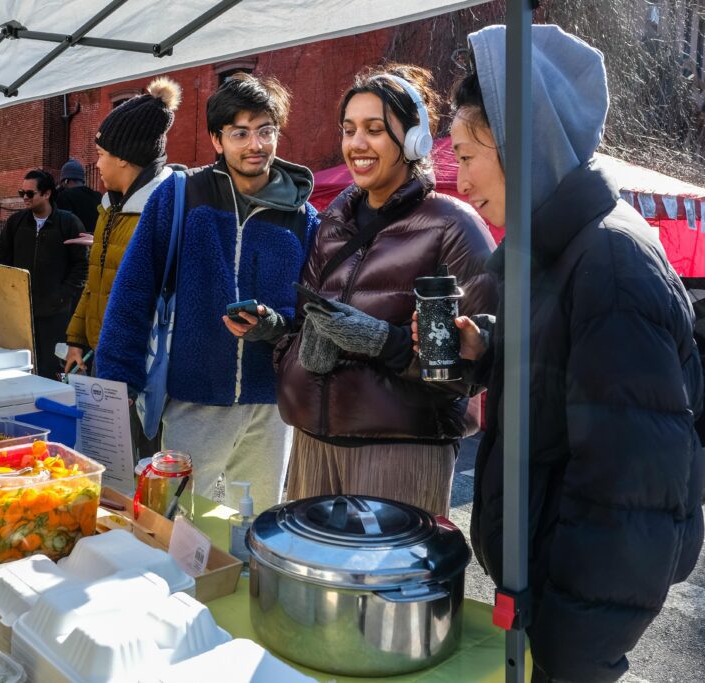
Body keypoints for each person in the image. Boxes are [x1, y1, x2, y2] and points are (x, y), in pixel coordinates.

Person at [445, 25, 704, 682]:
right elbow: (566, 375)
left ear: (521, 144)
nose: (460, 180)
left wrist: (571, 652)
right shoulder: (556, 250)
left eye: (467, 156)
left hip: (570, 633)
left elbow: (629, 499)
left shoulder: (610, 262)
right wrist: (489, 346)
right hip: (539, 602)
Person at [273, 65, 497, 516]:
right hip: (312, 444)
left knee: (387, 565)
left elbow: (474, 373)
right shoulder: (333, 221)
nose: (357, 143)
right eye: (349, 129)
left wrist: (384, 343)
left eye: (374, 130)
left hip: (400, 451)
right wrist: (293, 350)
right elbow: (301, 321)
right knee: (307, 561)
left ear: (414, 140)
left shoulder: (453, 226)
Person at [96, 73, 318, 510]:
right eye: (240, 133)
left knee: (253, 524)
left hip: (271, 407)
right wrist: (116, 383)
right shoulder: (181, 196)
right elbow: (133, 291)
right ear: (217, 139)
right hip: (192, 400)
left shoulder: (303, 216)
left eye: (266, 131)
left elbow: (314, 311)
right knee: (178, 522)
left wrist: (275, 325)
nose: (255, 145)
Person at [63, 77, 181, 460]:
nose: (97, 163)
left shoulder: (160, 211)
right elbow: (95, 284)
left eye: (101, 154)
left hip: (141, 372)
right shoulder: (109, 208)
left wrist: (127, 373)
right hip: (104, 360)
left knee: (140, 464)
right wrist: (77, 339)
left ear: (125, 159)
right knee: (106, 462)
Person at [0, 169, 88, 378]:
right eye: (22, 193)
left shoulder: (68, 222)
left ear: (47, 194)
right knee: (21, 367)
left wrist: (62, 295)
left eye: (30, 193)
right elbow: (3, 263)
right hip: (20, 312)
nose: (24, 198)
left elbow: (81, 266)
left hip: (56, 314)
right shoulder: (15, 222)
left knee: (52, 369)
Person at [55, 157, 102, 235]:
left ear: (66, 181)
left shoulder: (64, 196)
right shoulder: (98, 196)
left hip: (75, 240)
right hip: (95, 239)